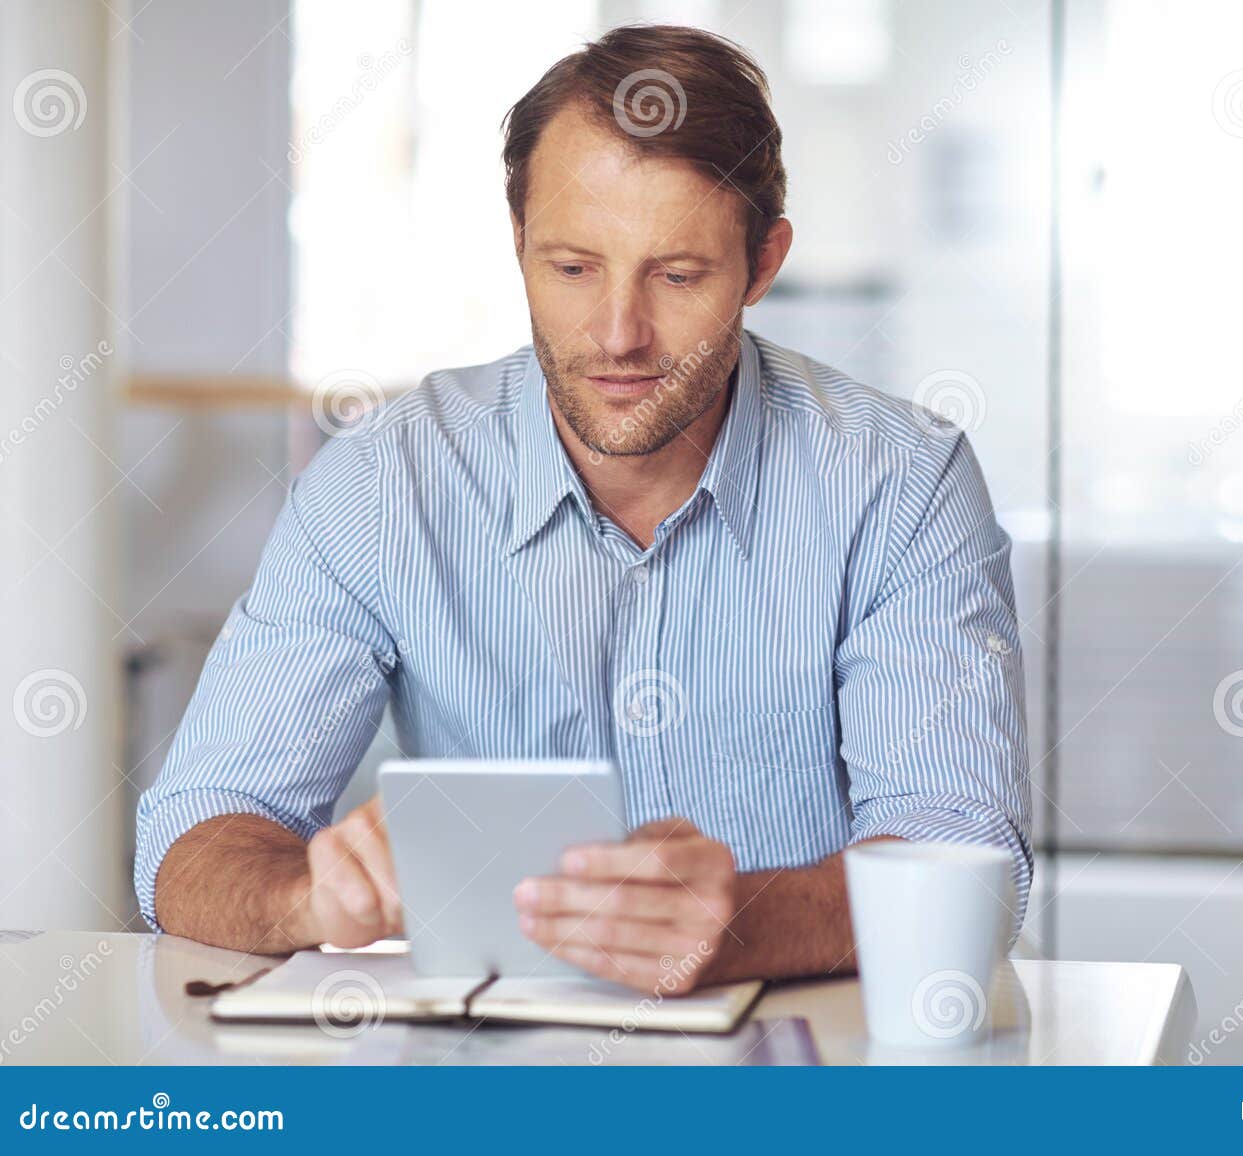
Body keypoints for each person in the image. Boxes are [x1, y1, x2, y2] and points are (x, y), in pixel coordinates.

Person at [135, 24, 1031, 993]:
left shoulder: (902, 480)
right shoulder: (385, 482)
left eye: (677, 275)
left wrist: (744, 925)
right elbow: (193, 839)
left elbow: (961, 855)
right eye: (572, 268)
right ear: (518, 242)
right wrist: (304, 900)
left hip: (809, 1055)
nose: (617, 334)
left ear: (763, 264)